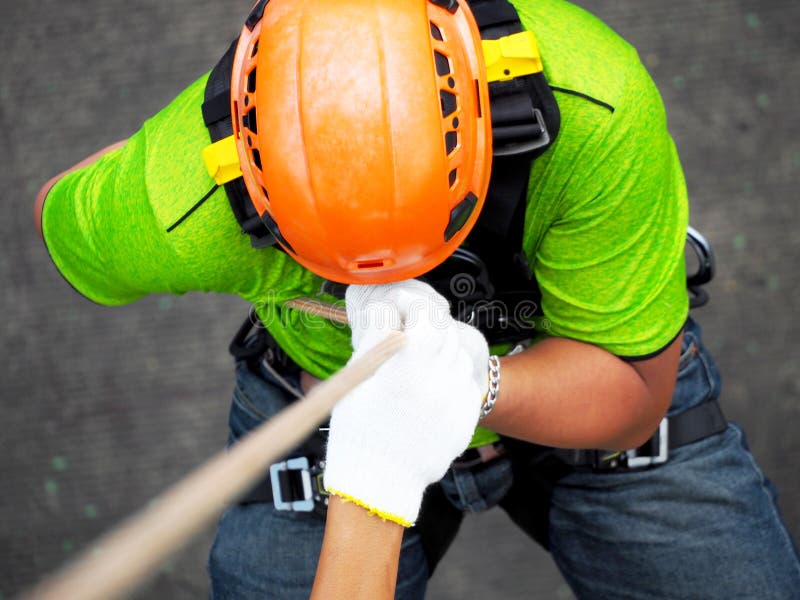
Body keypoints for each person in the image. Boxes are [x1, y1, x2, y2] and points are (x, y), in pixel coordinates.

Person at [34, 0, 800, 598]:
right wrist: (145, 177)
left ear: (482, 120)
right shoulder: (185, 202)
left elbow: (635, 392)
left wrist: (475, 384)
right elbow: (54, 207)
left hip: (586, 358)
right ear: (255, 194)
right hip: (326, 401)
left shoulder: (592, 105)